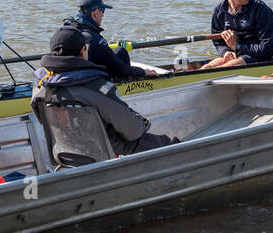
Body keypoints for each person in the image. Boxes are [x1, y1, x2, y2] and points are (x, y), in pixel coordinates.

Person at [30, 25, 176, 163]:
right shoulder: (95, 85)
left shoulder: (41, 86)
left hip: (66, 155)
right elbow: (133, 131)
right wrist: (143, 123)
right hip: (106, 154)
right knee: (171, 145)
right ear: (82, 51)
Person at [63, 0, 151, 82]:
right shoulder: (94, 39)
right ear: (96, 12)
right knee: (121, 51)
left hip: (73, 74)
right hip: (92, 81)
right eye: (103, 11)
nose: (103, 15)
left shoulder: (66, 30)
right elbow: (121, 68)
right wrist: (143, 72)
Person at [201, 0, 273, 69]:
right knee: (206, 67)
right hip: (235, 54)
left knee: (220, 69)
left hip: (257, 56)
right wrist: (225, 52)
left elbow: (267, 49)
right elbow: (218, 42)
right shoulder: (219, 12)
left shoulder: (261, 10)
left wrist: (238, 46)